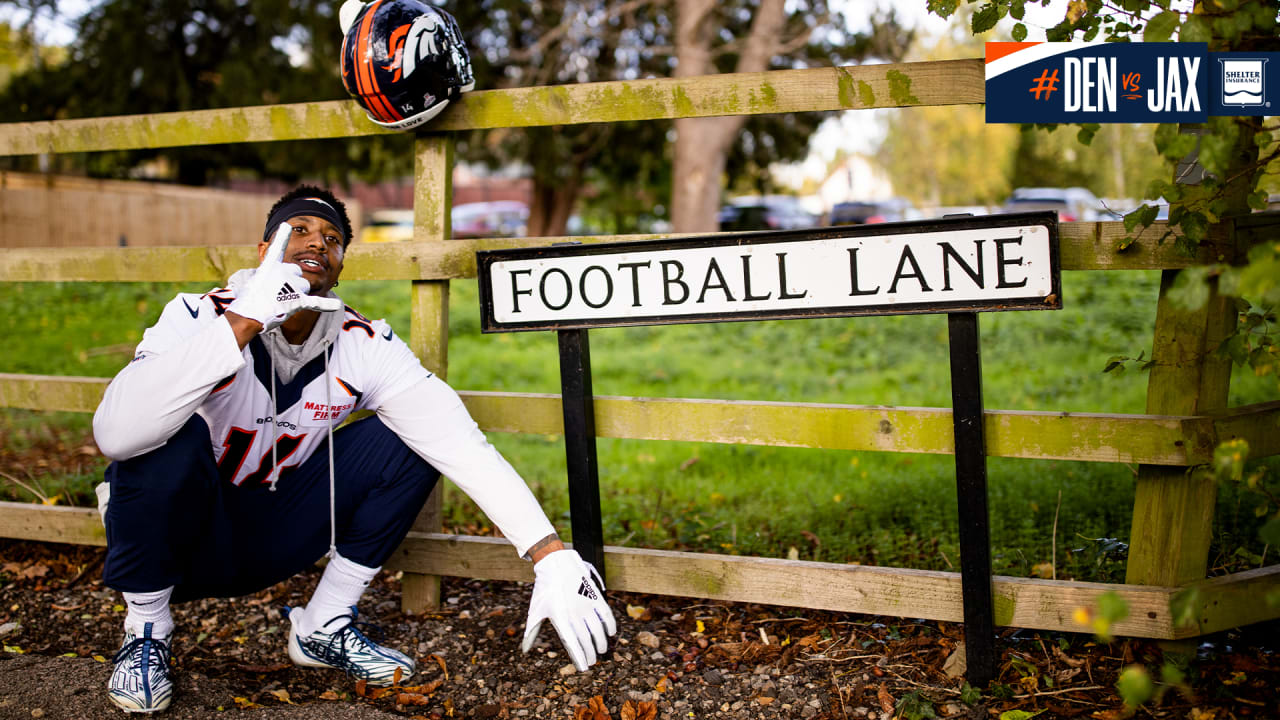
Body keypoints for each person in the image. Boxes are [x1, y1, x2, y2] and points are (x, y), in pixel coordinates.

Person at [92, 185, 616, 713]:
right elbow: (117, 433)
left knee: (410, 441)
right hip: (171, 544)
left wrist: (549, 555)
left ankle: (323, 624)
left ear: (341, 265)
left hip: (269, 536)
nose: (315, 242)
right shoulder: (195, 315)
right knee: (162, 431)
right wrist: (245, 320)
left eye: (332, 238)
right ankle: (146, 629)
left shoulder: (362, 342)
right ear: (263, 248)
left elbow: (460, 442)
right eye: (298, 230)